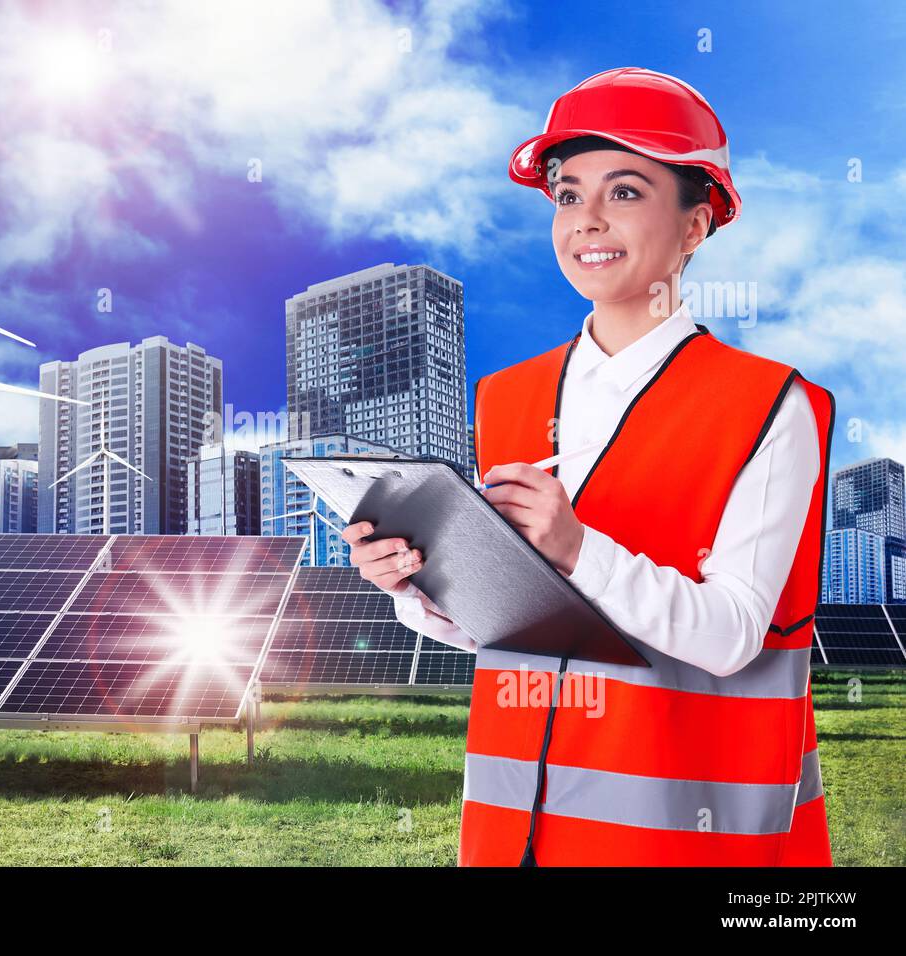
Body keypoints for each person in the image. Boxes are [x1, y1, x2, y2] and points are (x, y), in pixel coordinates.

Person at [341, 67, 835, 867]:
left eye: (627, 192)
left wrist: (577, 549)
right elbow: (517, 626)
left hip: (684, 837)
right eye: (569, 195)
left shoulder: (768, 406)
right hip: (512, 832)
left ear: (696, 225)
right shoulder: (506, 396)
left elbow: (735, 635)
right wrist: (417, 585)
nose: (588, 220)